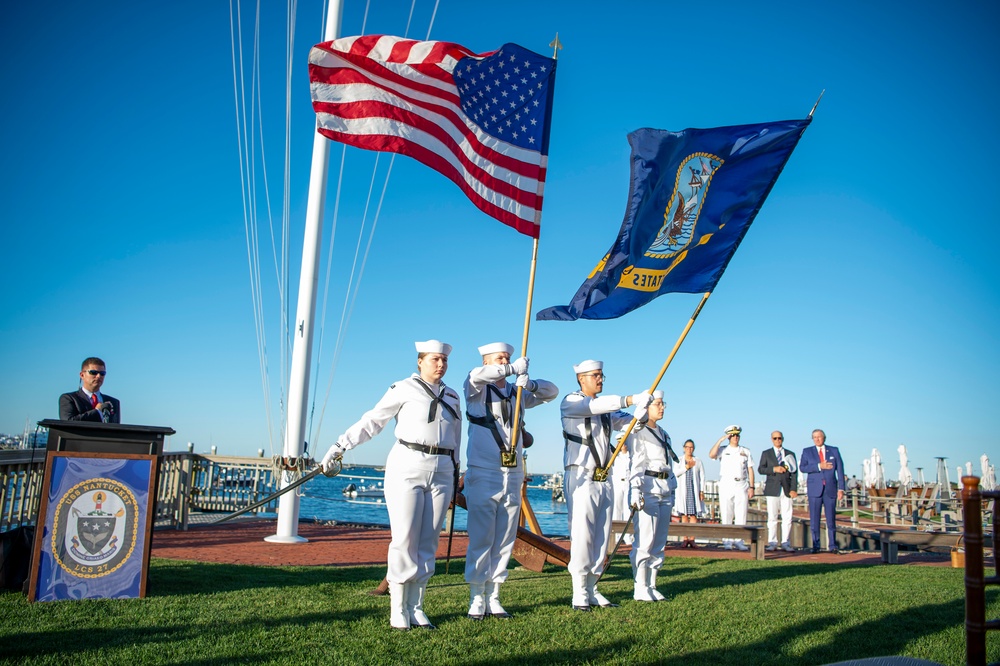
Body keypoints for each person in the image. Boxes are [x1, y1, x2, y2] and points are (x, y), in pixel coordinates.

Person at [320, 340, 461, 631]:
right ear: (420, 361)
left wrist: (458, 472)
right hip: (407, 464)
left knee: (428, 541)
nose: (441, 365)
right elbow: (373, 420)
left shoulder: (453, 396)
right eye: (434, 359)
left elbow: (458, 438)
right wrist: (339, 446)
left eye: (444, 361)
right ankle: (398, 608)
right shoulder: (403, 388)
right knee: (404, 539)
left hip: (443, 470)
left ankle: (416, 607)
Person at [463, 342, 558, 621]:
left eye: (508, 357)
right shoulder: (476, 387)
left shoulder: (516, 392)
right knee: (482, 537)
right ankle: (476, 596)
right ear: (486, 361)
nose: (505, 361)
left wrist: (529, 385)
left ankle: (494, 595)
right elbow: (478, 375)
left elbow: (551, 392)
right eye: (499, 358)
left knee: (505, 537)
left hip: (512, 471)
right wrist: (510, 368)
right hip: (484, 469)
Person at [561, 359, 650, 611]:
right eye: (595, 375)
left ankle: (593, 587)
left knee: (601, 535)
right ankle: (579, 591)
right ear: (581, 378)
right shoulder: (572, 401)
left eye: (601, 375)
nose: (600, 379)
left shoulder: (605, 409)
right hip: (581, 475)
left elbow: (629, 423)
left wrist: (641, 413)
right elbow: (597, 406)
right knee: (582, 534)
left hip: (604, 476)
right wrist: (631, 398)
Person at [625, 390, 677, 602]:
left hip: (665, 487)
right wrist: (635, 489)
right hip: (648, 487)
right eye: (657, 404)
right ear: (646, 407)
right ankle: (640, 586)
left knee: (659, 541)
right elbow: (636, 462)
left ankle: (652, 584)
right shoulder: (639, 431)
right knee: (645, 539)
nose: (662, 407)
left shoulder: (664, 433)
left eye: (663, 403)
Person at [708, 425, 755, 551]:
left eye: (737, 435)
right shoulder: (723, 450)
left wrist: (752, 486)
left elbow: (750, 469)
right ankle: (727, 541)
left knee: (741, 514)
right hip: (727, 484)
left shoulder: (745, 451)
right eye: (733, 435)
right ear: (729, 437)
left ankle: (739, 540)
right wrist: (720, 440)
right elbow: (711, 455)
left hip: (741, 484)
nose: (735, 437)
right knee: (726, 513)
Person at [799, 429, 845, 553]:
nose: (817, 439)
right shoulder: (807, 451)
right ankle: (816, 545)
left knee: (831, 519)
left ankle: (833, 546)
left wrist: (841, 488)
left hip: (830, 489)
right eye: (814, 437)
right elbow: (802, 467)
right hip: (815, 489)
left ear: (824, 437)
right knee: (814, 519)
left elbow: (840, 469)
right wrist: (819, 466)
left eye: (819, 437)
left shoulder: (834, 450)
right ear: (812, 438)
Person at [757, 431, 798, 553]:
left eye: (779, 438)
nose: (777, 440)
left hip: (786, 489)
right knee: (772, 517)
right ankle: (772, 542)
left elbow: (795, 473)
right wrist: (774, 469)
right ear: (771, 439)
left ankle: (786, 542)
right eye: (775, 438)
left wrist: (793, 489)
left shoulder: (790, 454)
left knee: (787, 517)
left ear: (783, 439)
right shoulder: (766, 453)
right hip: (772, 489)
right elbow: (761, 469)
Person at [59, 357, 121, 423]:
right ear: (82, 375)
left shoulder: (113, 402)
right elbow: (68, 422)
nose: (98, 376)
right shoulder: (69, 399)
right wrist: (97, 412)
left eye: (102, 373)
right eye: (93, 372)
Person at [672, 439, 705, 548]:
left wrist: (701, 490)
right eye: (687, 447)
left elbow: (702, 477)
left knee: (693, 515)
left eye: (691, 447)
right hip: (683, 490)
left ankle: (692, 538)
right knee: (684, 515)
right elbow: (675, 473)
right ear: (684, 448)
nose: (689, 449)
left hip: (693, 490)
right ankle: (685, 538)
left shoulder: (698, 461)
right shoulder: (679, 461)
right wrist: (686, 467)